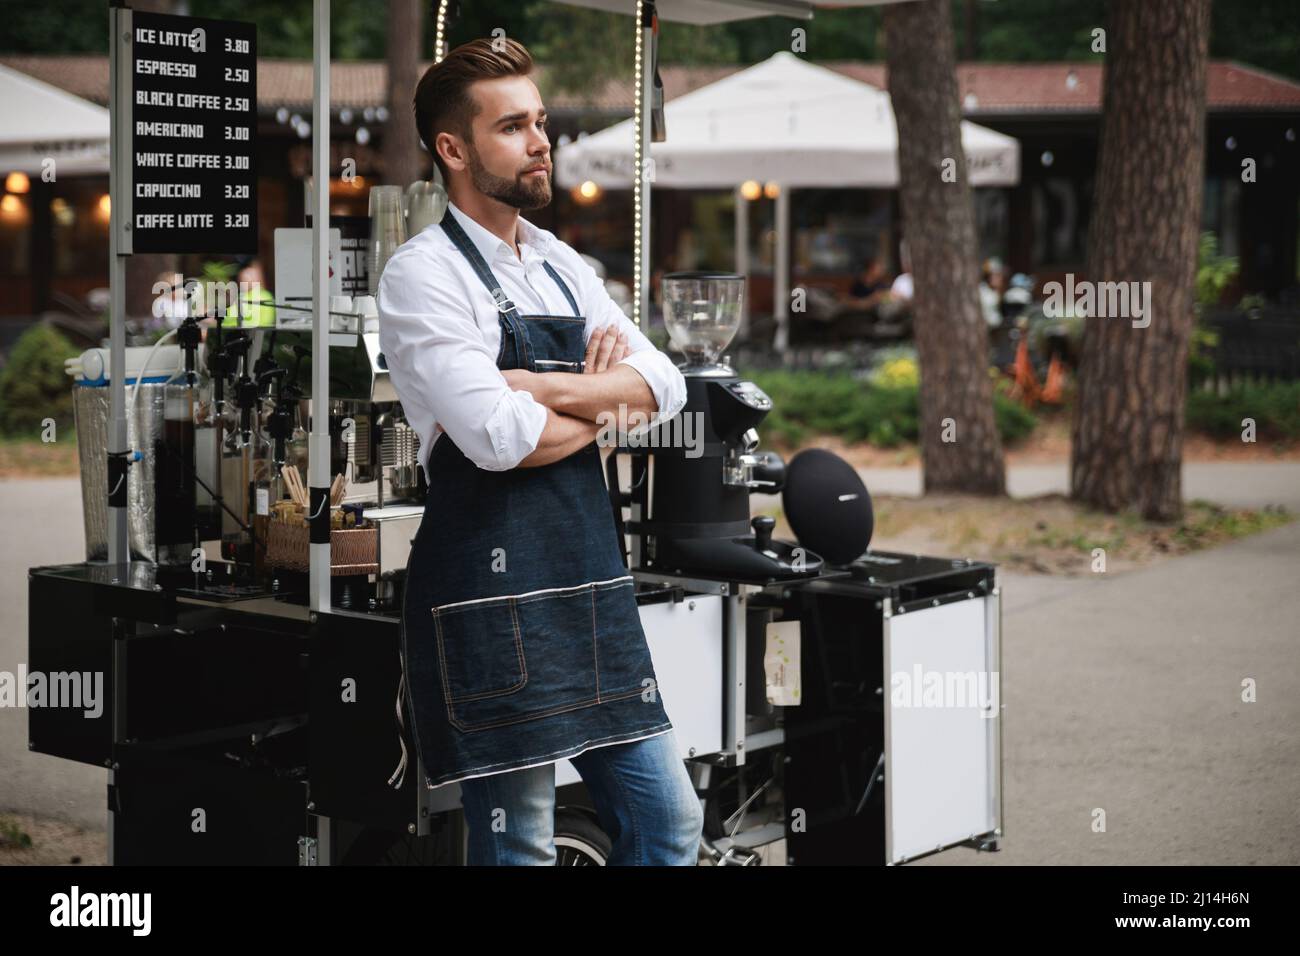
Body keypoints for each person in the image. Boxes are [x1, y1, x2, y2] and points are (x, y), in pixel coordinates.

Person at [377, 38, 703, 866]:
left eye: (542, 122)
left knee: (670, 827)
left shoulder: (564, 266)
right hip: (486, 603)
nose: (540, 142)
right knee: (517, 846)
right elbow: (495, 440)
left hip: (589, 588)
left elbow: (664, 385)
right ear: (453, 149)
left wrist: (539, 387)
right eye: (513, 126)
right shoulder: (422, 277)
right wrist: (604, 403)